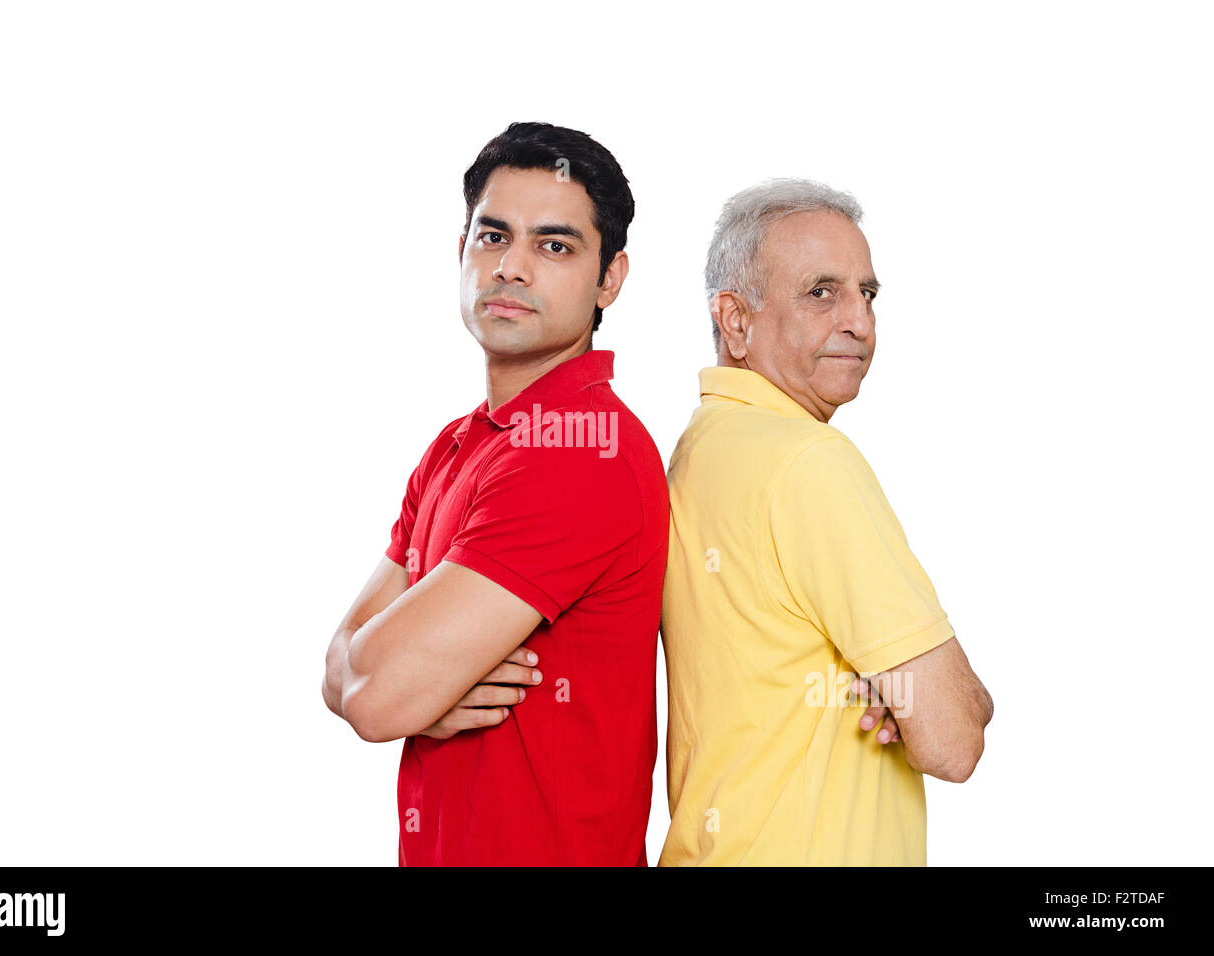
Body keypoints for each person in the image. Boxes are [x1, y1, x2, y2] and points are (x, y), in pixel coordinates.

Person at [321, 122, 669, 866]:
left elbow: (374, 693)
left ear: (610, 279)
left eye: (554, 245)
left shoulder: (580, 452)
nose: (511, 267)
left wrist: (401, 686)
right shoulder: (460, 443)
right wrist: (409, 688)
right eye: (492, 237)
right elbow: (341, 671)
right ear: (461, 251)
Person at [659, 179, 994, 866]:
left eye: (866, 294)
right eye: (822, 292)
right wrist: (928, 693)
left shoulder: (698, 451)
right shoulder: (810, 462)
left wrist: (898, 689)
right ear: (735, 320)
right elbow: (955, 740)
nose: (860, 322)